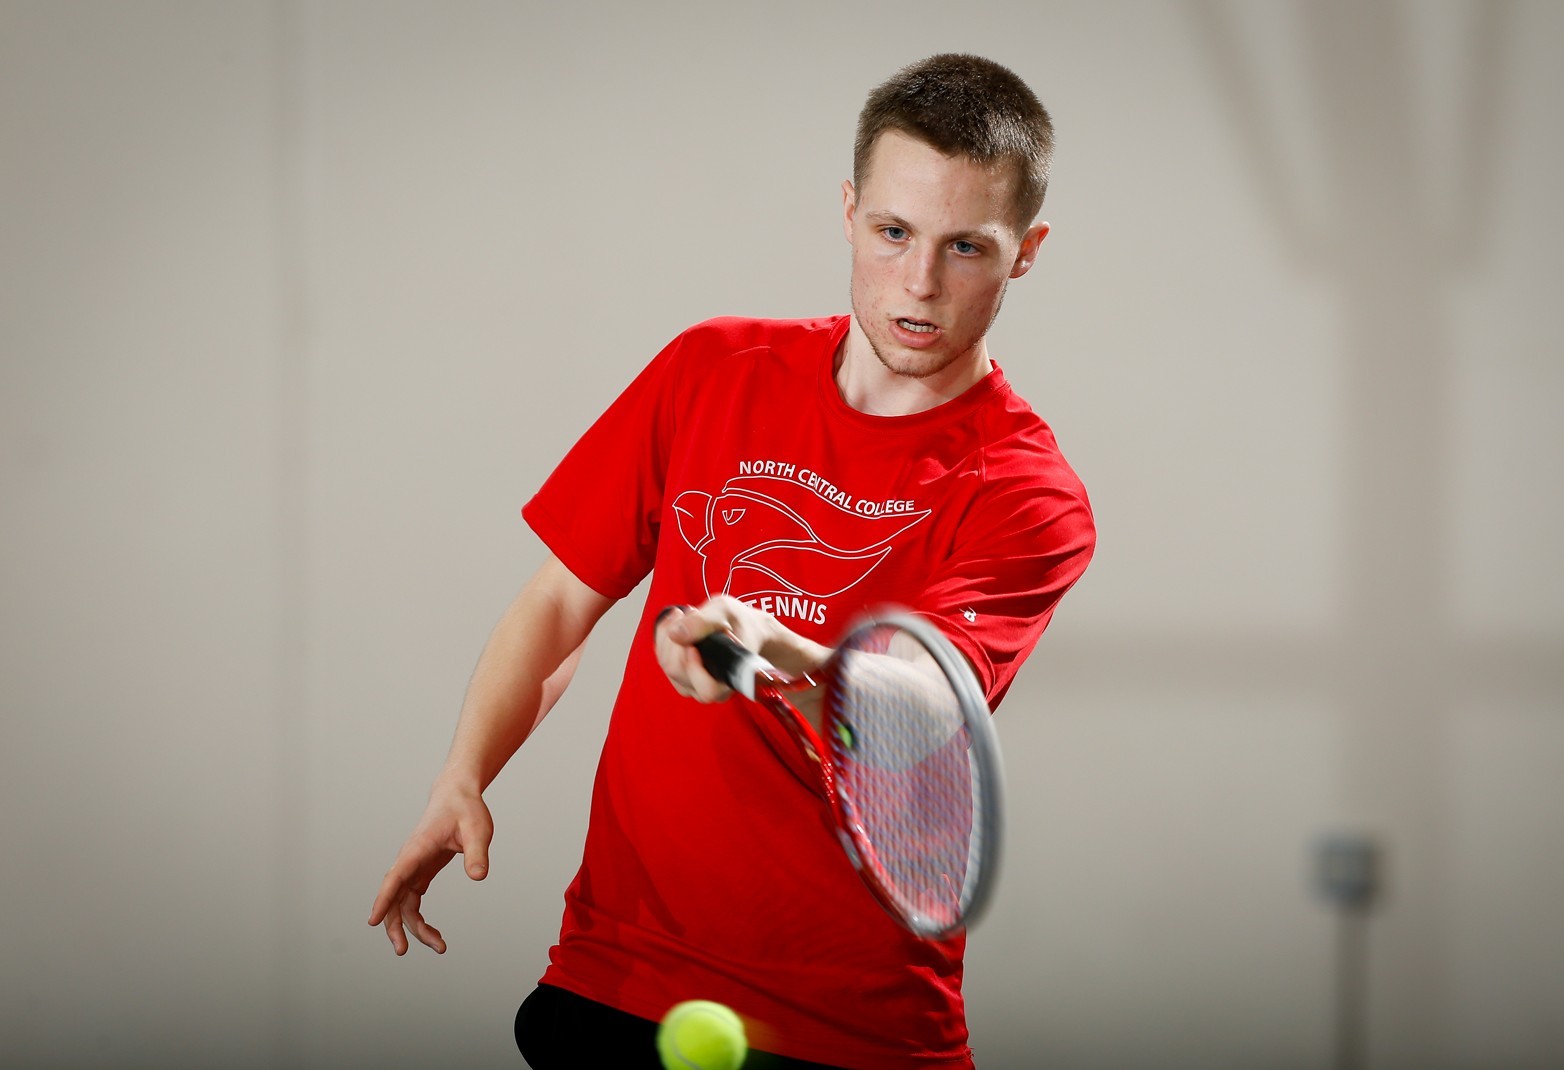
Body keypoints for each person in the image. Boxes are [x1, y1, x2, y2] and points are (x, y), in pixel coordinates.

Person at [368, 53, 1096, 1069]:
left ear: (1026, 251)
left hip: (847, 1030)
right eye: (893, 232)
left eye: (965, 245)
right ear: (848, 211)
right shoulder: (709, 368)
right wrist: (465, 769)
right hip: (615, 973)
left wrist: (770, 647)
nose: (918, 282)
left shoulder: (1025, 491)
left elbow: (914, 714)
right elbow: (563, 596)